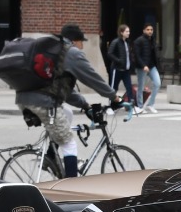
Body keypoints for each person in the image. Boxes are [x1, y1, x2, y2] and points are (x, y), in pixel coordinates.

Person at [15, 24, 119, 178]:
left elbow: (64, 91)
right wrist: (114, 96)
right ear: (75, 41)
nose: (82, 46)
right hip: (44, 102)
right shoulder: (72, 53)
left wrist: (84, 105)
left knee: (67, 114)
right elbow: (93, 78)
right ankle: (71, 187)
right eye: (81, 42)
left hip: (25, 98)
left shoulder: (54, 53)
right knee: (69, 142)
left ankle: (51, 156)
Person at [106, 24, 137, 107]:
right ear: (121, 32)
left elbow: (128, 55)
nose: (128, 33)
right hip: (117, 69)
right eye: (127, 31)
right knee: (113, 88)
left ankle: (131, 106)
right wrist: (118, 61)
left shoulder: (127, 42)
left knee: (129, 88)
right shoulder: (116, 42)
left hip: (126, 70)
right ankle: (110, 106)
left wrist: (131, 63)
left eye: (129, 31)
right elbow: (110, 53)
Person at [132, 23, 160, 114]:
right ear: (144, 30)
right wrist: (143, 65)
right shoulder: (138, 41)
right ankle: (139, 107)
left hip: (152, 66)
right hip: (141, 67)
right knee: (141, 87)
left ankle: (150, 104)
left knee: (157, 83)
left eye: (151, 30)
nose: (150, 31)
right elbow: (137, 55)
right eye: (148, 29)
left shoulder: (152, 40)